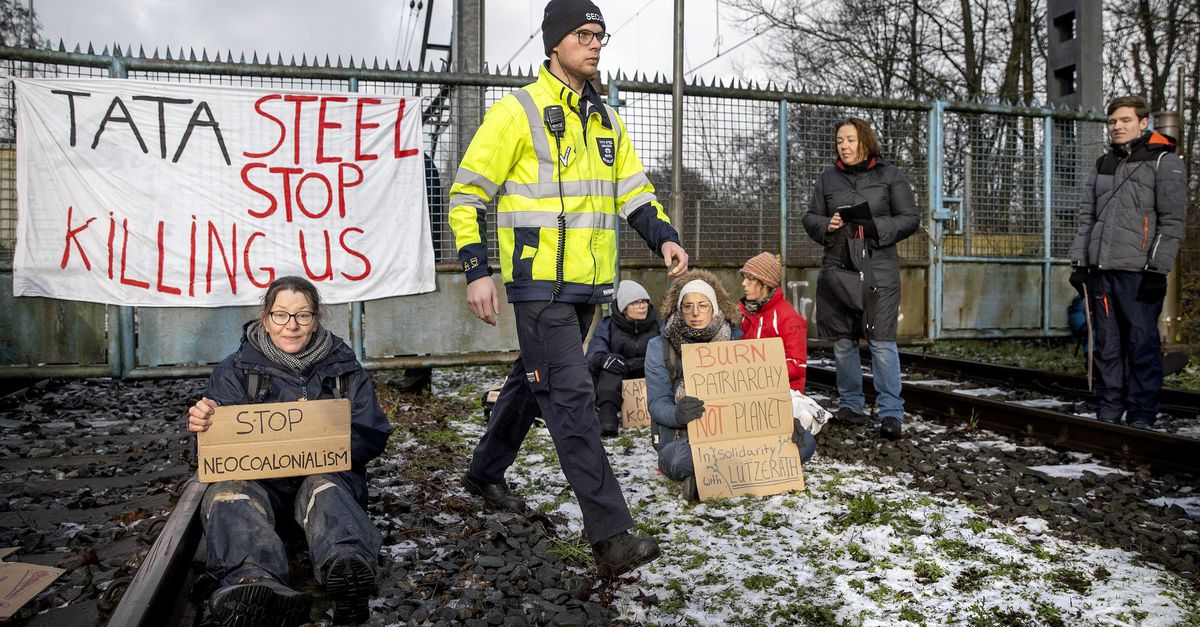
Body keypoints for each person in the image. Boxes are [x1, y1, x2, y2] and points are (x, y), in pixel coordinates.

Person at [447, 0, 688, 578]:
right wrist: (477, 268)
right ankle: (610, 536)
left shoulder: (605, 120)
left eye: (600, 35)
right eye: (583, 34)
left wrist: (664, 237)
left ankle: (483, 472)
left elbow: (634, 190)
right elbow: (466, 194)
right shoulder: (517, 112)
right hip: (537, 287)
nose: (595, 43)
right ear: (555, 43)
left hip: (587, 288)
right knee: (572, 397)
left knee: (534, 383)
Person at [186, 276, 393, 626]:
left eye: (303, 315)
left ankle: (346, 566)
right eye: (281, 315)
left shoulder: (344, 368)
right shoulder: (234, 371)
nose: (292, 326)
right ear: (266, 318)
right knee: (226, 494)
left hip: (327, 484)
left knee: (324, 486)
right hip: (260, 489)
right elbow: (218, 452)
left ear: (316, 320)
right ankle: (251, 581)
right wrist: (203, 425)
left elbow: (371, 430)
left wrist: (321, 451)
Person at [645, 271, 816, 501]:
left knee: (806, 442)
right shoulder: (660, 346)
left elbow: (759, 392)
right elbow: (656, 403)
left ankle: (713, 478)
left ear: (714, 307)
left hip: (739, 435)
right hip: (686, 437)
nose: (695, 312)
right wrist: (677, 414)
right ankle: (753, 471)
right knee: (674, 461)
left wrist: (784, 420)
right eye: (688, 306)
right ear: (679, 308)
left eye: (703, 305)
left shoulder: (736, 339)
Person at [1069, 95, 1186, 429]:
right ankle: (1108, 411)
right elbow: (1086, 217)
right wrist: (1080, 261)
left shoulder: (1165, 162)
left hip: (1139, 272)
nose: (1117, 127)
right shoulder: (1103, 163)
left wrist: (1157, 269)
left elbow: (1172, 222)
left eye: (1125, 120)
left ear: (1143, 122)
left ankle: (1141, 415)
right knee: (1106, 344)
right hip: (1101, 272)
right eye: (1112, 122)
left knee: (1140, 343)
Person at [802, 117, 920, 439]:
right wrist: (827, 224)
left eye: (851, 140)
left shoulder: (889, 175)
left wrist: (875, 227)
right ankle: (852, 406)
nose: (845, 145)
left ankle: (891, 413)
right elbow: (809, 216)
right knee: (843, 341)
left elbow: (910, 219)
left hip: (878, 270)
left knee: (882, 342)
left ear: (865, 141)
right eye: (840, 140)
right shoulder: (828, 177)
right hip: (838, 269)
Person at [738, 251, 830, 437]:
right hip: (750, 392)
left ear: (766, 283)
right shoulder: (746, 313)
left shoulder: (789, 319)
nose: (743, 284)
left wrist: (757, 372)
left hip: (780, 395)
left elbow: (797, 366)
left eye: (749, 279)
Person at [586, 280, 661, 436]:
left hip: (647, 371)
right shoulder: (607, 324)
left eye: (644, 302)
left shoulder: (658, 325)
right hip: (619, 373)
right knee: (609, 371)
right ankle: (607, 418)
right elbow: (594, 354)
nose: (642, 306)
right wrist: (605, 359)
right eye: (636, 303)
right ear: (624, 307)